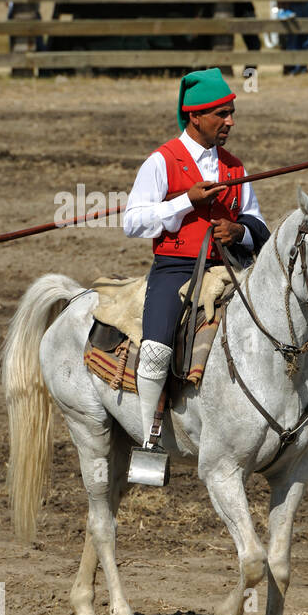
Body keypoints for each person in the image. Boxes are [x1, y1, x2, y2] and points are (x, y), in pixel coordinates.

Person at [121, 69, 268, 476]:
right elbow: (132, 222)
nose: (231, 122)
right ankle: (150, 439)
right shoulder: (162, 161)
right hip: (176, 268)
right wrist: (184, 201)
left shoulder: (235, 168)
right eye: (223, 114)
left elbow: (260, 227)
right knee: (155, 348)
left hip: (229, 268)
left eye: (232, 113)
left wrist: (239, 230)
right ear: (195, 116)